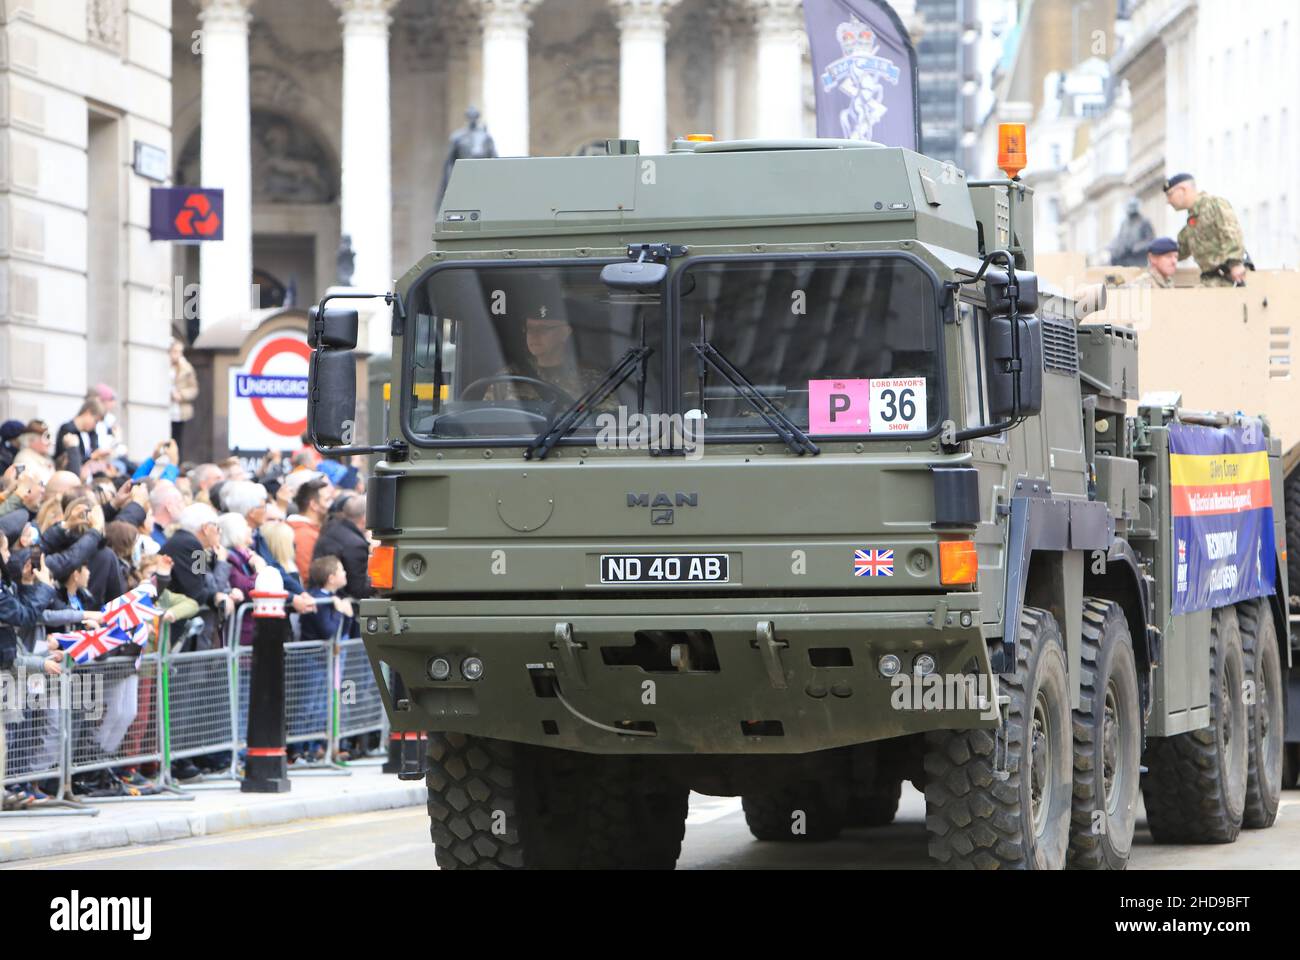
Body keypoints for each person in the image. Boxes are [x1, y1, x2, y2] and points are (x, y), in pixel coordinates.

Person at [483, 306, 606, 403]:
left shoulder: (591, 379)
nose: (534, 335)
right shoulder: (507, 378)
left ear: (564, 332)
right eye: (529, 328)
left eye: (544, 329)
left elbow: (607, 423)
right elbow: (485, 425)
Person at [1164, 173, 1249, 287]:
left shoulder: (1214, 204)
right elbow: (1181, 249)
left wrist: (1235, 263)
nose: (1168, 201)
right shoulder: (1193, 220)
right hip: (1211, 281)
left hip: (1229, 279)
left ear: (1182, 190)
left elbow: (1232, 233)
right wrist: (1160, 255)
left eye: (1170, 194)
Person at [313, 494, 372, 605]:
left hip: (318, 597)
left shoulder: (330, 526)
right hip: (337, 607)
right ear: (364, 518)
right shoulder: (356, 545)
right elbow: (358, 590)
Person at [288, 478, 332, 582]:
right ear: (314, 505)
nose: (330, 505)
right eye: (327, 500)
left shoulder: (310, 530)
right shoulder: (305, 535)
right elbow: (306, 575)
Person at [54, 398, 107, 475]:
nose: (95, 425)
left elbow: (95, 447)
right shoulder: (67, 429)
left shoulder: (90, 433)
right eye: (95, 421)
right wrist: (92, 456)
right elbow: (70, 460)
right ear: (87, 413)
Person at [169, 337, 199, 455]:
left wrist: (181, 395)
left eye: (180, 352)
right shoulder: (163, 366)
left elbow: (194, 389)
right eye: (175, 351)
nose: (178, 355)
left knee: (177, 440)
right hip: (165, 408)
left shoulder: (186, 368)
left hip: (179, 410)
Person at [1107, 197, 1156, 268]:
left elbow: (1151, 241)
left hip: (1138, 261)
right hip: (1124, 261)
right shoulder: (1124, 223)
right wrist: (1115, 248)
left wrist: (1136, 247)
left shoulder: (1144, 222)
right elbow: (1119, 238)